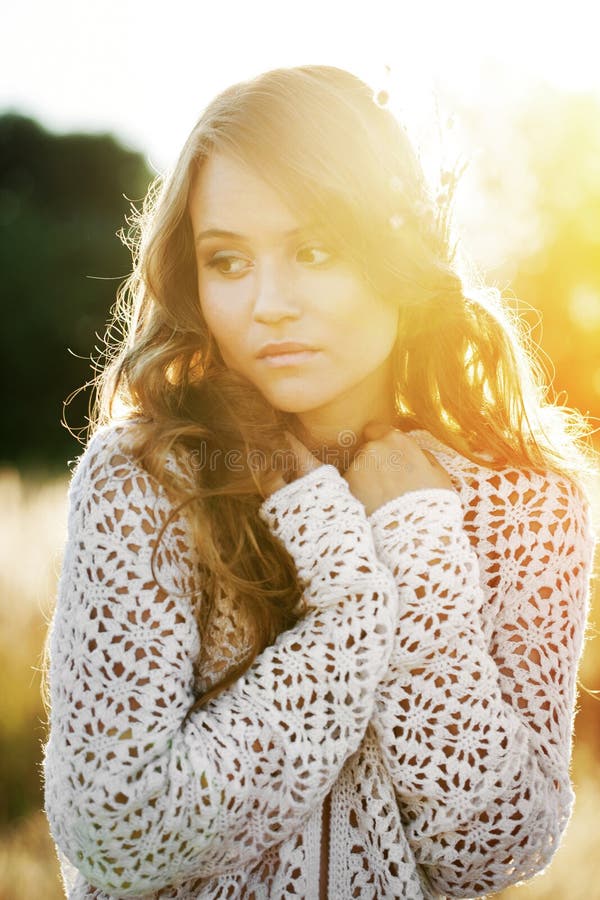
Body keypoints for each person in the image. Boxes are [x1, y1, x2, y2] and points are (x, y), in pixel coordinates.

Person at [42, 64, 597, 900]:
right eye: (227, 261)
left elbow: (496, 842)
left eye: (314, 250)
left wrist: (419, 540)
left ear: (396, 249)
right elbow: (119, 831)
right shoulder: (147, 482)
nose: (269, 303)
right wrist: (346, 601)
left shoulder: (527, 501)